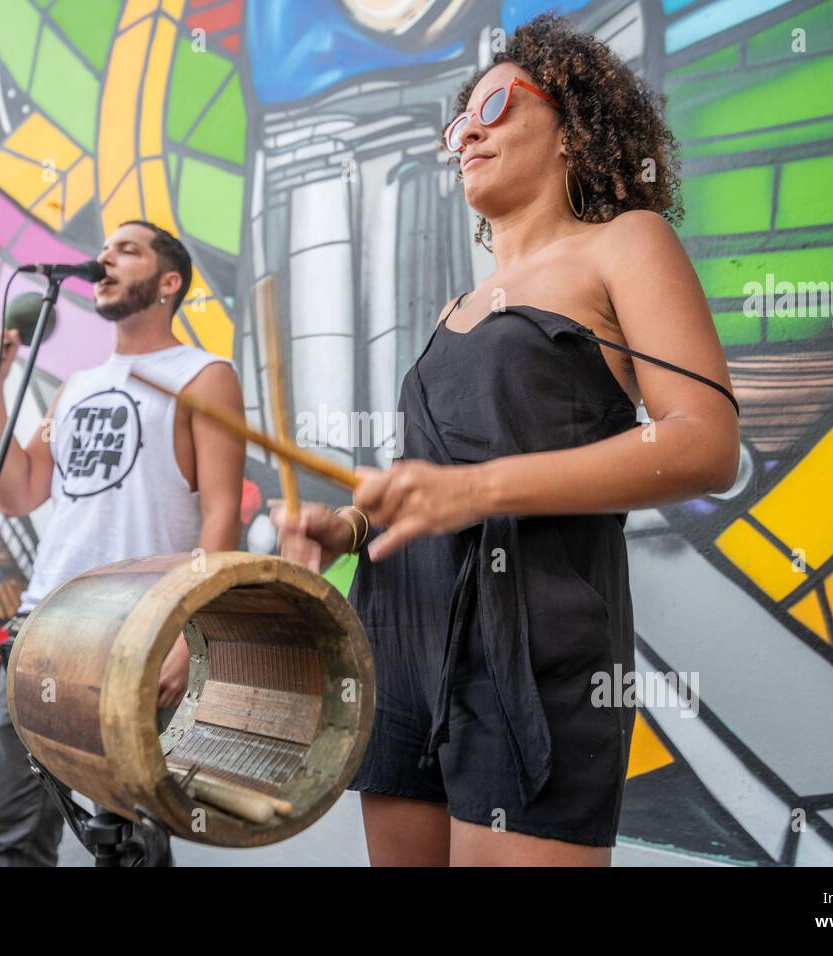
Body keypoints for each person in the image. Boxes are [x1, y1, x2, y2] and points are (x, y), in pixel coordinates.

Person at [271, 14, 741, 867]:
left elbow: (705, 444)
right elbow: (437, 486)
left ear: (573, 126)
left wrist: (482, 490)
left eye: (493, 102)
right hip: (403, 639)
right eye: (457, 122)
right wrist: (350, 527)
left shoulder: (625, 243)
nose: (467, 132)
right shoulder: (459, 304)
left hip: (533, 644)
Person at [0, 219, 244, 866]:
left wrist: (189, 632)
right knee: (14, 839)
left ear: (168, 282)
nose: (105, 259)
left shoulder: (204, 374)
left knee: (130, 843)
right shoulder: (75, 386)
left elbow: (223, 517)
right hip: (45, 622)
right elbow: (19, 493)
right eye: (102, 251)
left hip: (138, 629)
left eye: (127, 250)